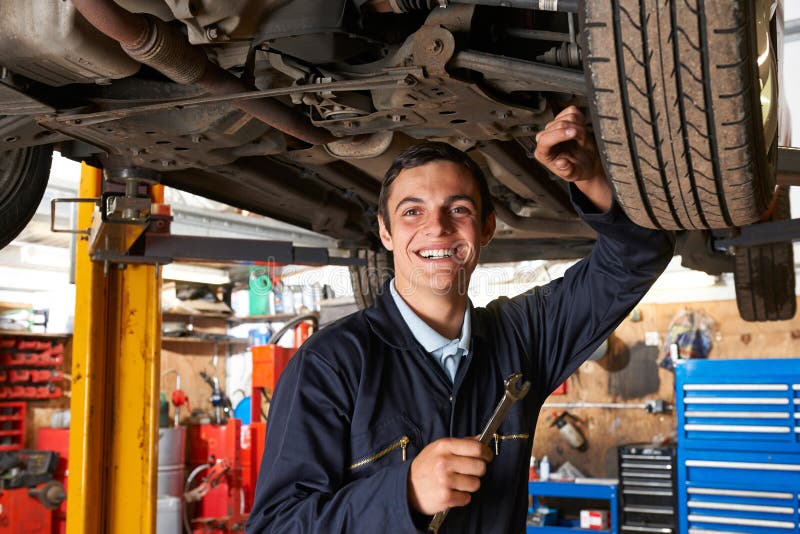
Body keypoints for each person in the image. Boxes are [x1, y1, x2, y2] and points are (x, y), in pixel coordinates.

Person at [245, 106, 675, 533]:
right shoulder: (329, 364)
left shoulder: (524, 337)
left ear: (487, 227)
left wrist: (590, 177)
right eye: (412, 212)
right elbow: (275, 527)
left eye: (459, 209)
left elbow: (636, 258)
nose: (438, 227)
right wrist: (403, 493)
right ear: (386, 231)